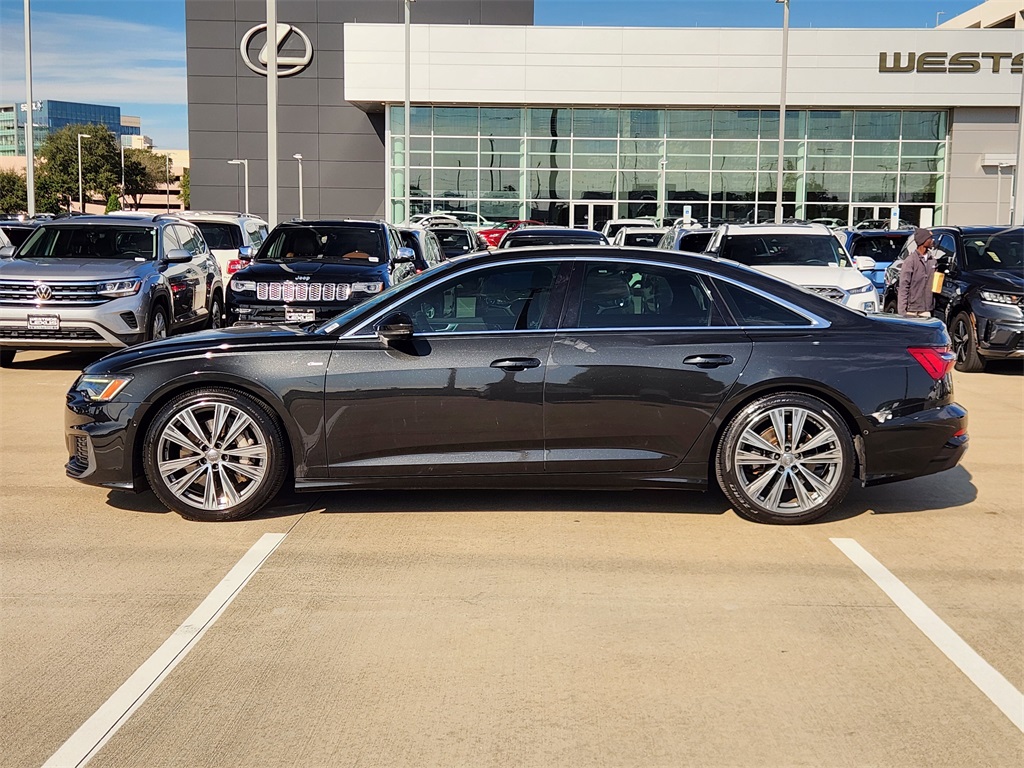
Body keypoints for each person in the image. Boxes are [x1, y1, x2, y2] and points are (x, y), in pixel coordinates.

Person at [897, 227, 938, 318]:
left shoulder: (933, 261)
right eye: (930, 239)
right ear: (923, 241)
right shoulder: (910, 261)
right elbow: (904, 286)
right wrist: (902, 311)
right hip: (911, 309)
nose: (932, 241)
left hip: (926, 309)